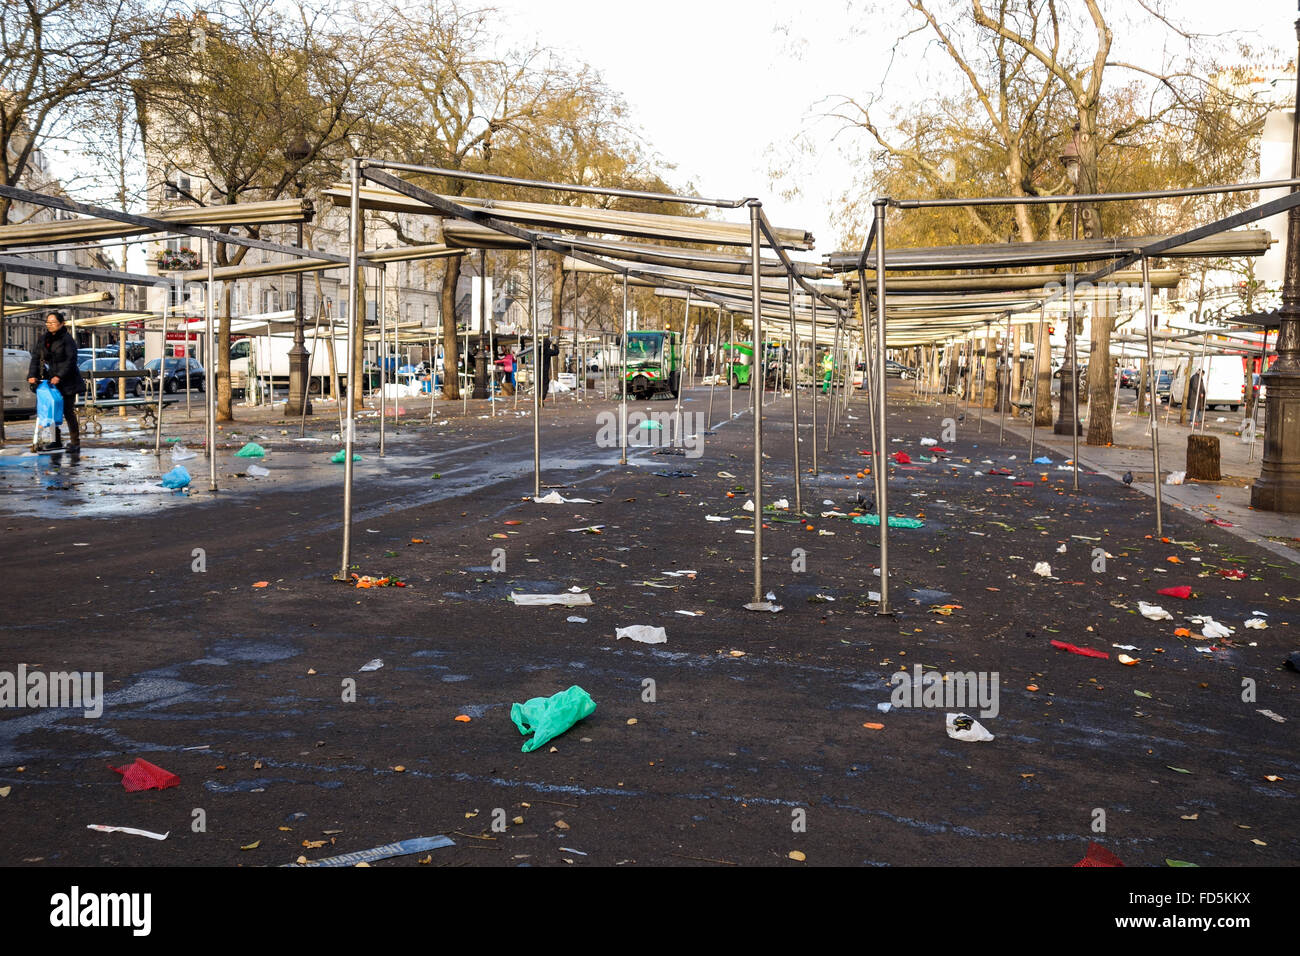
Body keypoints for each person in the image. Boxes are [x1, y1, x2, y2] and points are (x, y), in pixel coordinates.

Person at [27, 311, 83, 451]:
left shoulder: (67, 339)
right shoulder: (44, 339)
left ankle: (75, 442)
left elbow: (71, 360)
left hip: (67, 380)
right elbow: (35, 358)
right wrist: (32, 375)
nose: (50, 325)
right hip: (50, 382)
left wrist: (59, 376)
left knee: (67, 411)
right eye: (48, 323)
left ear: (61, 324)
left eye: (53, 323)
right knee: (51, 410)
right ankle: (55, 441)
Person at [539, 337, 560, 404]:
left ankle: (539, 396)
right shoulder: (547, 350)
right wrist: (555, 345)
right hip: (545, 370)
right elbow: (556, 352)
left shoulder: (539, 349)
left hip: (538, 369)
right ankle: (541, 397)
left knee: (539, 384)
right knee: (545, 384)